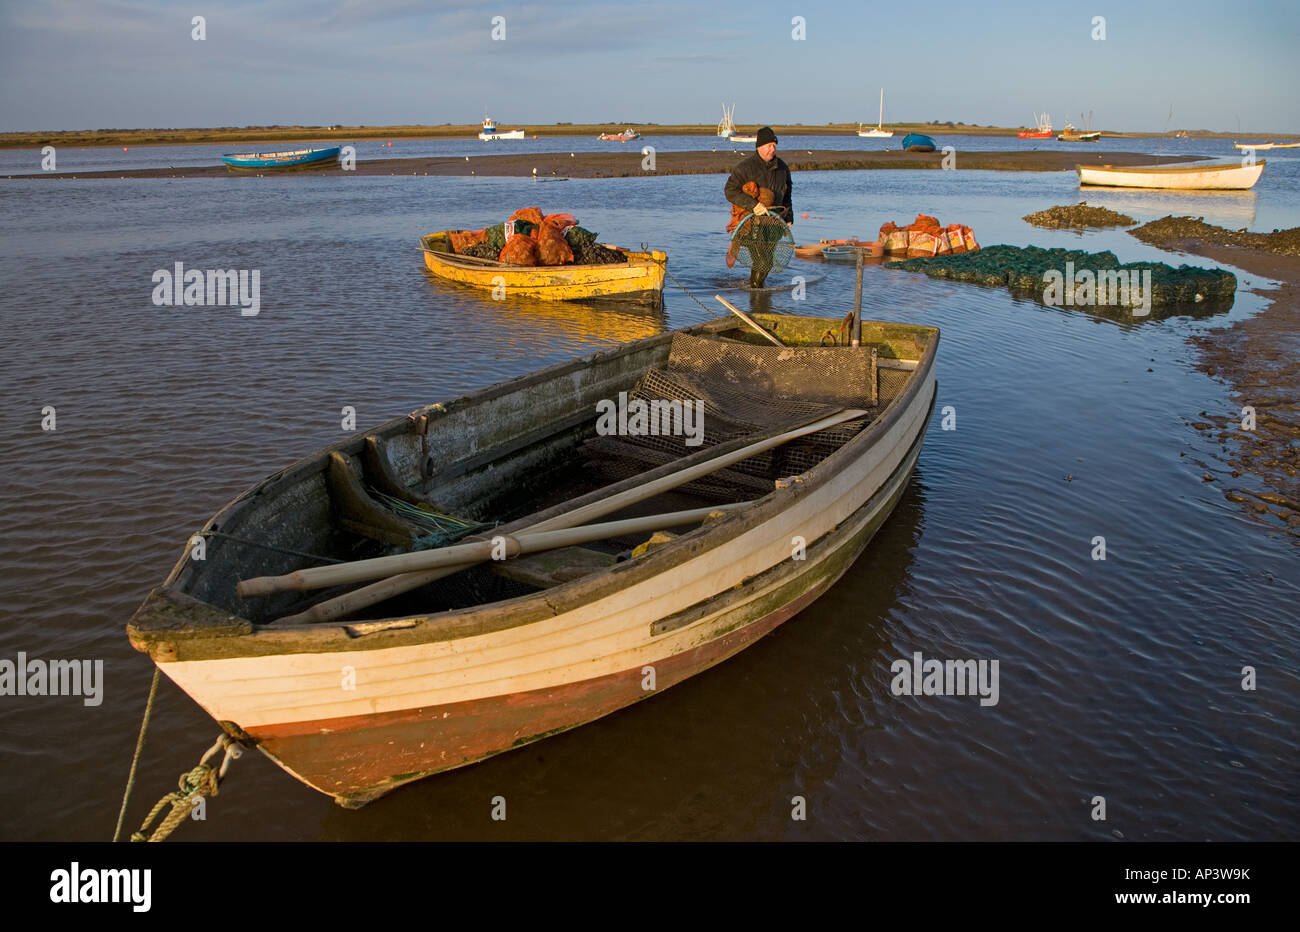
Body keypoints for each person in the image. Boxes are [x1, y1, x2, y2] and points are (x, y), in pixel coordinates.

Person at [724, 127, 793, 288]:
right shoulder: (745, 168)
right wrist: (754, 205)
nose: (772, 149)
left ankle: (756, 295)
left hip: (774, 223)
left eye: (774, 145)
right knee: (762, 261)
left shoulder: (782, 168)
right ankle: (756, 294)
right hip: (751, 224)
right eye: (769, 146)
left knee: (766, 262)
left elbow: (787, 194)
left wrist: (788, 218)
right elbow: (730, 191)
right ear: (759, 147)